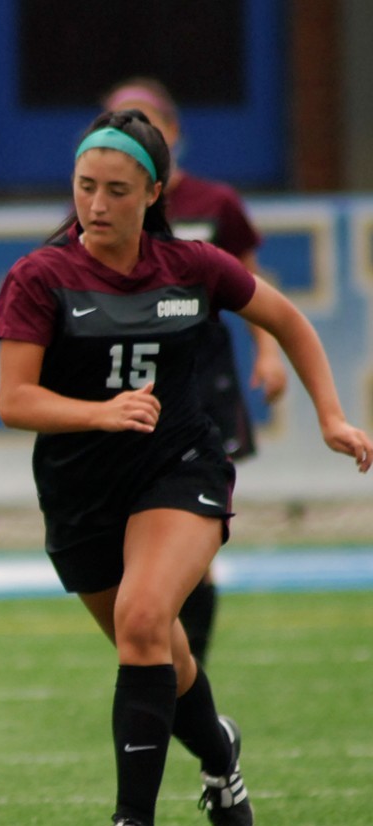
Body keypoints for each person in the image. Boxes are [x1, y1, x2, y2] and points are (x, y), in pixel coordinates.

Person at [0, 110, 372, 826]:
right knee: (164, 650)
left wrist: (331, 416)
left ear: (154, 192)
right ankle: (220, 752)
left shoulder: (192, 265)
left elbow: (288, 319)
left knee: (143, 620)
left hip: (180, 465)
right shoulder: (40, 276)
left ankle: (133, 821)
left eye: (116, 190)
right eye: (85, 186)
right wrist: (100, 412)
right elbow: (15, 400)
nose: (96, 204)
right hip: (79, 490)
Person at [102, 77, 289, 665]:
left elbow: (252, 285)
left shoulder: (214, 204)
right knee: (132, 544)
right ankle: (169, 670)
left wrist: (267, 352)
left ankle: (188, 679)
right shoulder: (100, 203)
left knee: (190, 540)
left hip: (203, 379)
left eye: (143, 122)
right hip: (135, 386)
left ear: (173, 131)